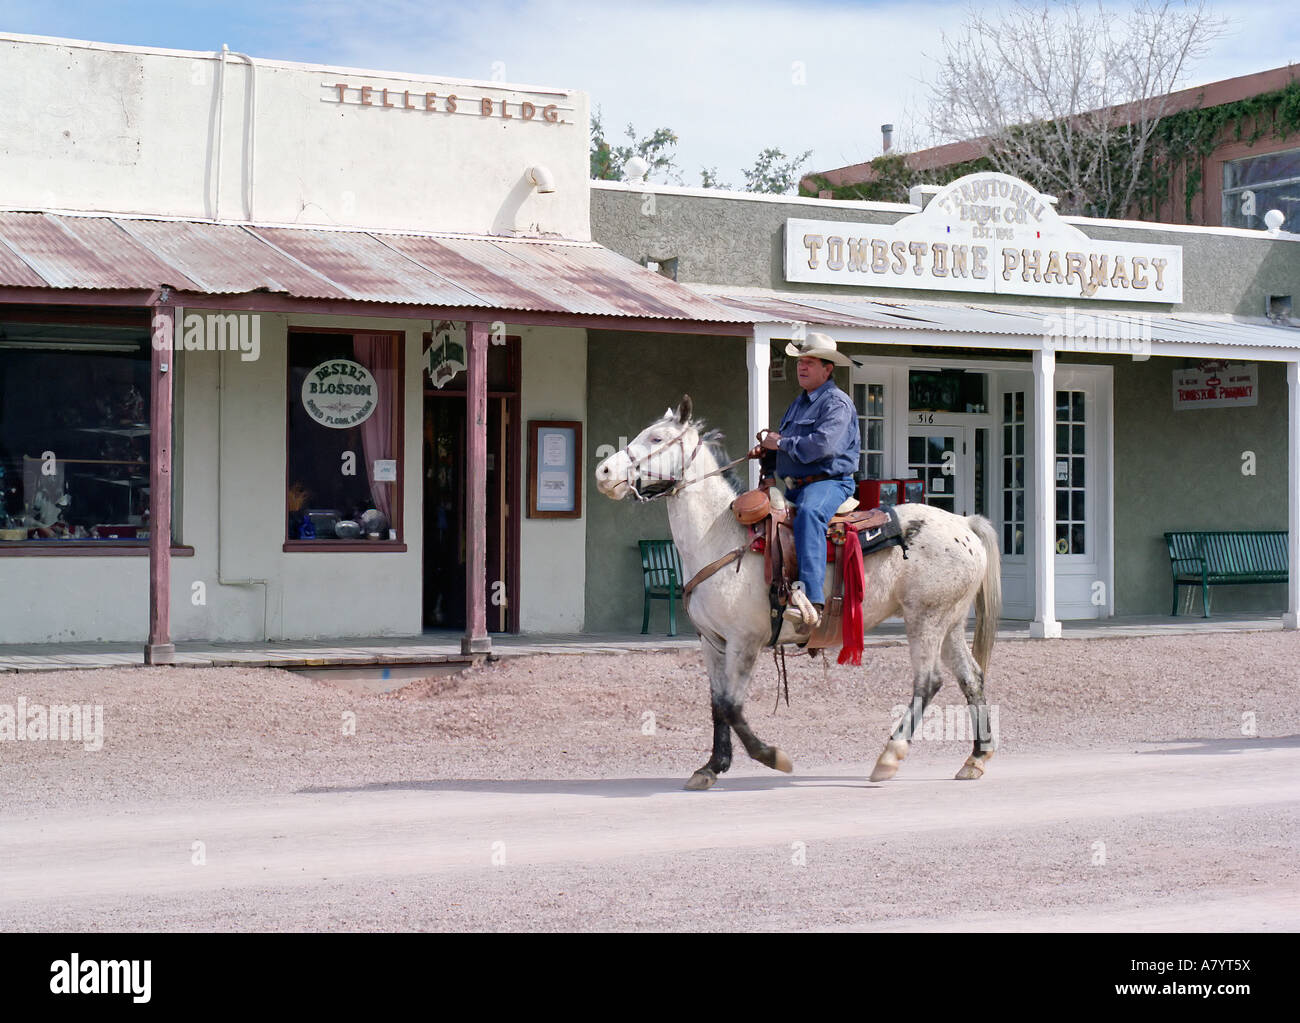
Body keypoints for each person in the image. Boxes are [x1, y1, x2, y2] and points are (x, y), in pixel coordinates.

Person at [760, 333, 859, 629]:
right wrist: (768, 471)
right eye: (800, 362)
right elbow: (780, 443)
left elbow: (823, 446)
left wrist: (782, 443)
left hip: (829, 483)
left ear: (827, 369)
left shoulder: (837, 403)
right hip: (796, 485)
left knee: (810, 514)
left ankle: (812, 601)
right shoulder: (799, 403)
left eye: (810, 362)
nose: (802, 367)